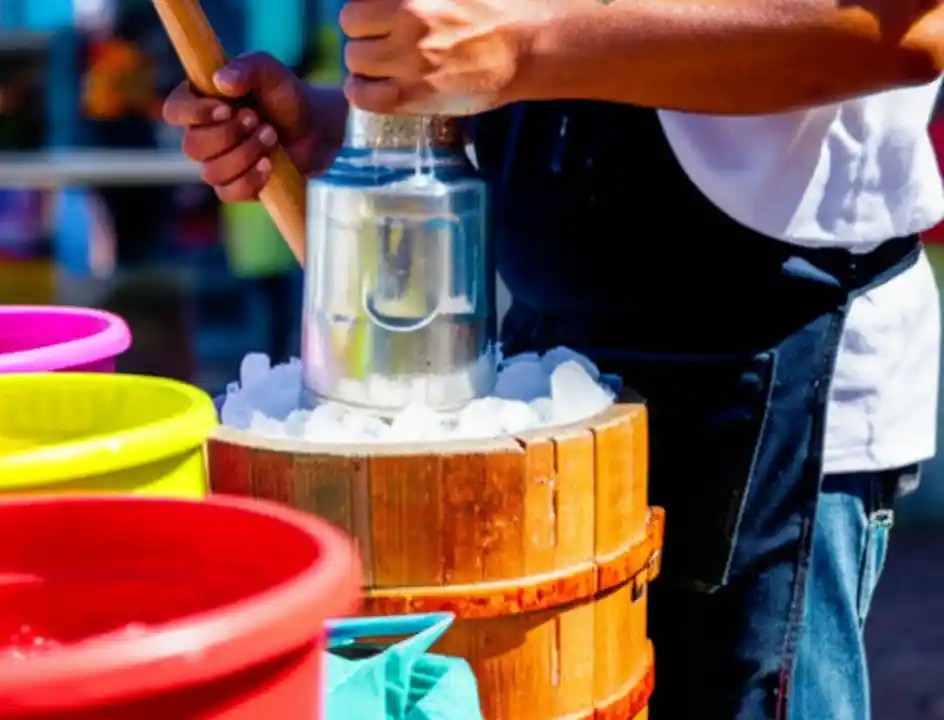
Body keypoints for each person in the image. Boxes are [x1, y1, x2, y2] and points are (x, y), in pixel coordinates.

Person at [161, 1, 944, 718]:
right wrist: (350, 131)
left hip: (771, 375)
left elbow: (903, 31)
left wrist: (529, 49)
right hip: (555, 372)